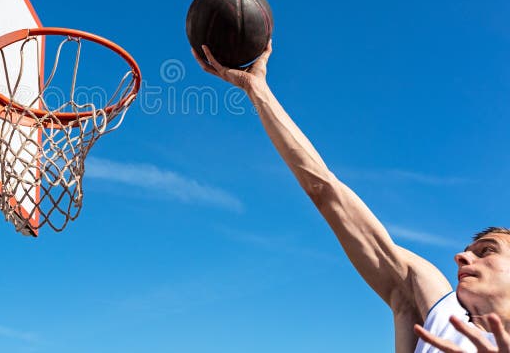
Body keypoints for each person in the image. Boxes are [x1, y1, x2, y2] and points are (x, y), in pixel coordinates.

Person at [192, 41, 510, 353]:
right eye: (469, 250)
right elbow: (326, 191)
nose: (463, 257)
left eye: (486, 251)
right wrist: (256, 88)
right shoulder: (442, 314)